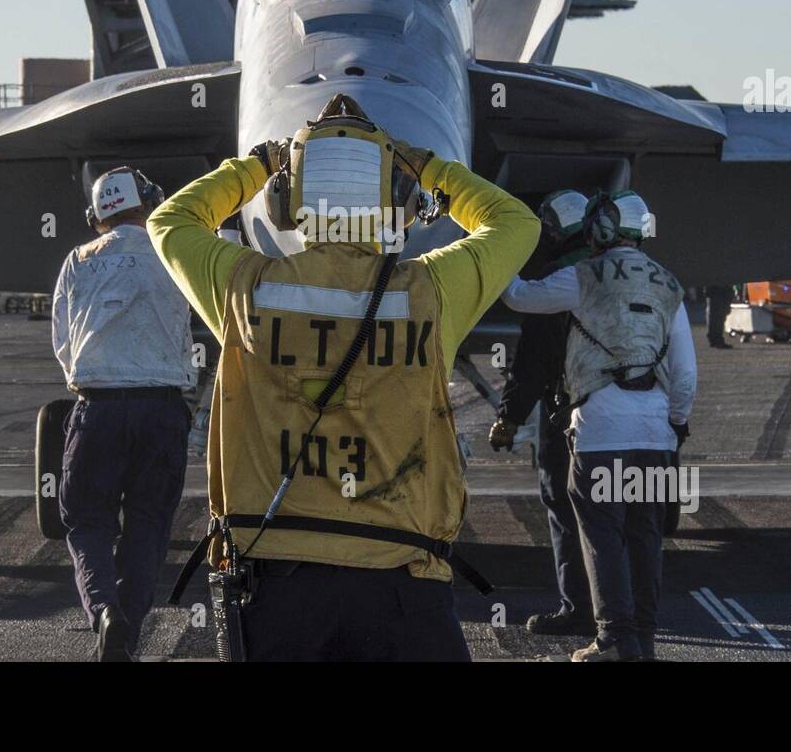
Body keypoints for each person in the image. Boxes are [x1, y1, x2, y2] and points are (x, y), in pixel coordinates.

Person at [148, 94, 539, 661]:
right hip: (402, 585)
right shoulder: (430, 292)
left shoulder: (245, 287)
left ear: (285, 202)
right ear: (399, 201)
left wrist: (259, 163)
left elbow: (171, 219)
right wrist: (426, 165)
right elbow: (515, 222)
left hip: (275, 588)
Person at [502, 190, 697, 662]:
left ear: (601, 230)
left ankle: (613, 640)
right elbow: (686, 373)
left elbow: (518, 297)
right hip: (655, 432)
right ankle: (643, 643)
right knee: (646, 537)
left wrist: (499, 246)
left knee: (603, 538)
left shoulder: (581, 275)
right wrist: (675, 425)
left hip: (601, 430)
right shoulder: (669, 284)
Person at [52, 166, 197, 661]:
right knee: (148, 524)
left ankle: (104, 613)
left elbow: (63, 343)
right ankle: (125, 636)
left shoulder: (77, 260)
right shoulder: (172, 250)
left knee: (87, 523)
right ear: (149, 202)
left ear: (98, 215)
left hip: (99, 408)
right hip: (161, 408)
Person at [489, 189, 595, 636]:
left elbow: (533, 361)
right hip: (631, 415)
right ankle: (624, 613)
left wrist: (510, 418)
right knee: (620, 514)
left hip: (567, 415)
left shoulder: (558, 281)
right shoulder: (632, 274)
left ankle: (580, 609)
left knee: (565, 505)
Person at [704, 284, 734, 349]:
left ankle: (714, 338)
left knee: (715, 314)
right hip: (719, 289)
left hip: (714, 289)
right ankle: (716, 338)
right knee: (718, 315)